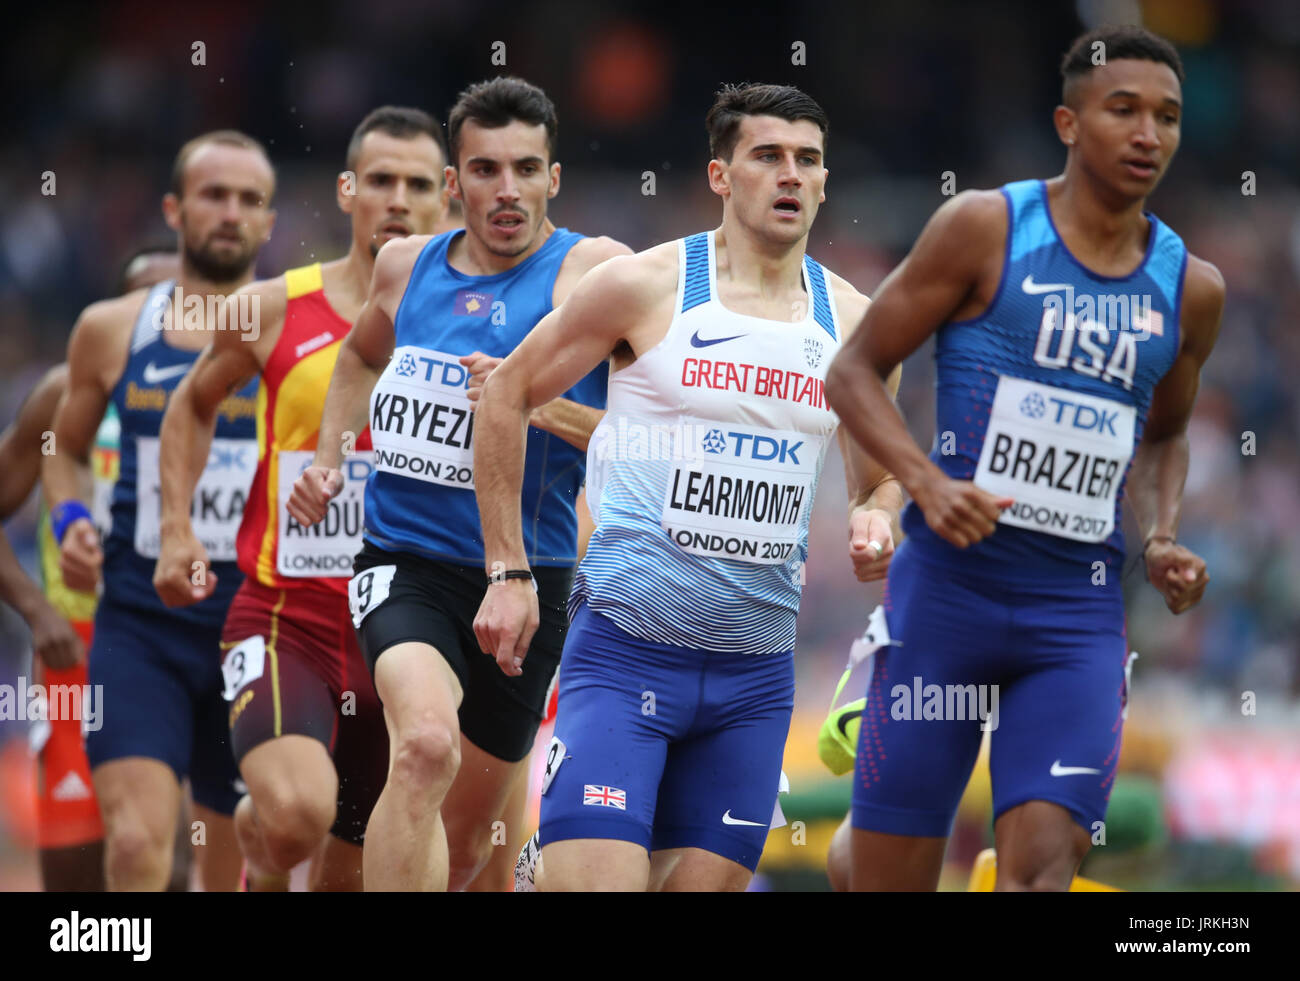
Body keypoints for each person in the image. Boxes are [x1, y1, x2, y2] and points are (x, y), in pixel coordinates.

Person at [473, 82, 902, 892]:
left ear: (823, 181)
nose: (790, 175)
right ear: (720, 174)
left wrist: (876, 518)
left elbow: (880, 478)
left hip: (755, 678)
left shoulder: (856, 324)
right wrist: (508, 568)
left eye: (807, 160)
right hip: (626, 649)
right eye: (767, 156)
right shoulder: (648, 286)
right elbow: (505, 393)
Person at [824, 24, 1223, 891]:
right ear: (1069, 122)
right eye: (1123, 109)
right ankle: (859, 850)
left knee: (1041, 873)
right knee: (889, 875)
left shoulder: (1191, 288)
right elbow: (851, 371)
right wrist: (927, 481)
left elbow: (1162, 432)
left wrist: (1159, 535)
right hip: (946, 598)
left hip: (1073, 614)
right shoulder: (984, 228)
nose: (1148, 134)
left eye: (1167, 116)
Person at [287, 76, 630, 891]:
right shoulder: (405, 266)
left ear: (554, 178)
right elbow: (363, 353)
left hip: (531, 581)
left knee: (469, 843)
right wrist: (332, 455)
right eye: (484, 170)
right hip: (404, 562)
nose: (506, 191)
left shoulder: (596, 275)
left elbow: (652, 436)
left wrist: (527, 401)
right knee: (425, 748)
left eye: (525, 169)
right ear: (454, 184)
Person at [154, 107, 448, 891]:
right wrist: (177, 528)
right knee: (294, 816)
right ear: (347, 190)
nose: (397, 199)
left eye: (418, 184)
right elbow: (191, 403)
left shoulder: (482, 323)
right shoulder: (276, 305)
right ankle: (257, 830)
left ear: (446, 201)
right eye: (379, 179)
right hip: (291, 617)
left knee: (349, 873)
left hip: (411, 630)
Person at [43, 131, 276, 890]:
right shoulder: (112, 330)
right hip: (138, 625)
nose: (230, 213)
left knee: (228, 866)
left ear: (270, 222)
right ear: (174, 209)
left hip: (256, 631)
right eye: (214, 194)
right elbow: (62, 446)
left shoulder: (296, 335)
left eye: (249, 200)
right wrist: (70, 521)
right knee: (140, 844)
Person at [0, 249, 185, 892]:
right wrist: (37, 611)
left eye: (174, 299)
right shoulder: (60, 395)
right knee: (76, 863)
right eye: (142, 301)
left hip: (193, 641)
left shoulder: (233, 389)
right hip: (80, 650)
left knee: (176, 848)